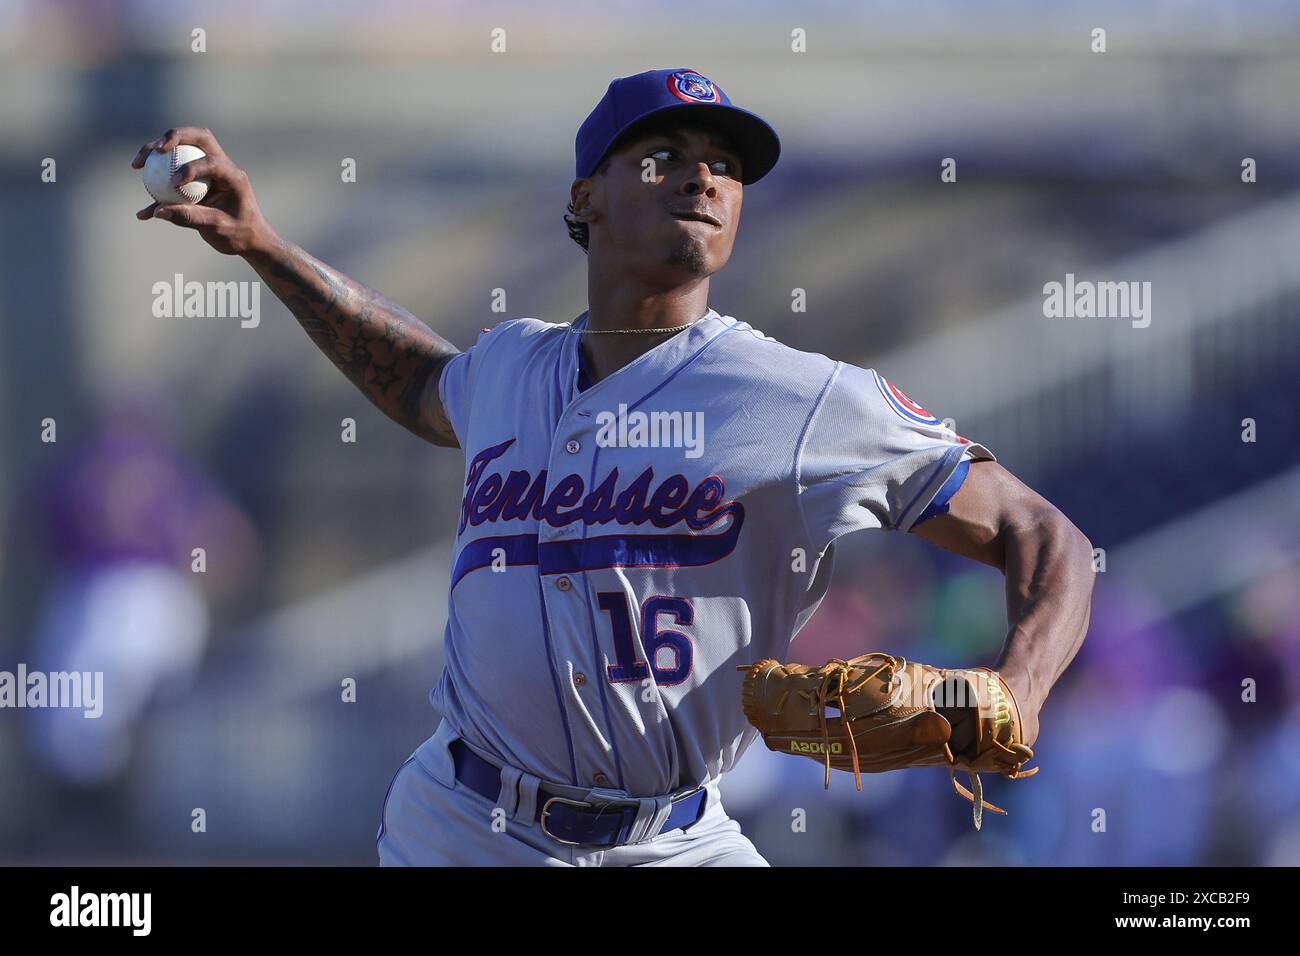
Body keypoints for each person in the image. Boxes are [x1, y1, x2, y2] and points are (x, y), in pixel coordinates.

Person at [132, 67, 1094, 866]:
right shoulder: (512, 365)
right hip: (464, 826)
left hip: (672, 840)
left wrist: (1020, 688)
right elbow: (426, 386)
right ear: (584, 197)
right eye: (663, 156)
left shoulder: (798, 398)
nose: (703, 179)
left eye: (724, 165)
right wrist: (264, 245)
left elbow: (1044, 536)